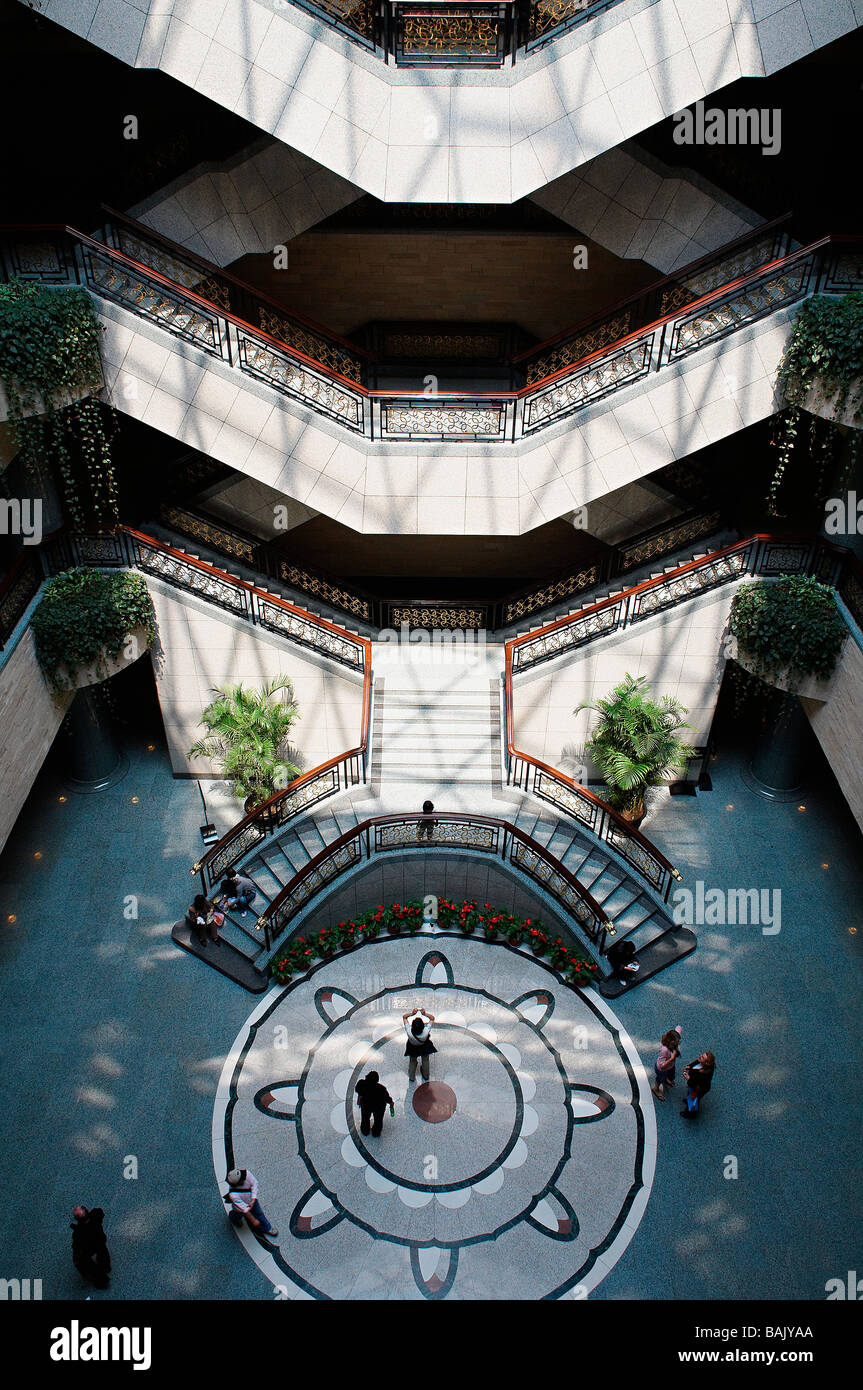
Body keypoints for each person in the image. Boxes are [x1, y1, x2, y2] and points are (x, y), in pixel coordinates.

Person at [224, 1169, 278, 1239]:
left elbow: (254, 1183)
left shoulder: (246, 1174)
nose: (245, 1178)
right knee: (237, 1214)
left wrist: (253, 1199)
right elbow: (243, 1208)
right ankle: (233, 1218)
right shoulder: (233, 1195)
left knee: (259, 1213)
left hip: (251, 1200)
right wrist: (253, 1219)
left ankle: (268, 1228)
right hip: (240, 1207)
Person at [70, 1205, 111, 1288]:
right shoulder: (96, 1216)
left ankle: (101, 1280)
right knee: (102, 1252)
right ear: (87, 1210)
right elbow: (100, 1211)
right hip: (99, 1241)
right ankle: (106, 1266)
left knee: (83, 1261)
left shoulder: (78, 1233)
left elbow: (76, 1247)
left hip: (88, 1248)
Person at [355, 1070, 394, 1137]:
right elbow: (387, 1098)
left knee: (365, 1118)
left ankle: (365, 1131)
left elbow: (357, 1090)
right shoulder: (382, 1089)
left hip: (366, 1106)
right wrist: (391, 1102)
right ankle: (376, 1133)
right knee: (378, 1120)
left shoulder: (361, 1084)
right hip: (378, 1108)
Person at [403, 1007, 437, 1082]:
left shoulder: (409, 1031)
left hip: (412, 1047)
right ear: (422, 1027)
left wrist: (412, 1014)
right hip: (424, 1047)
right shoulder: (425, 1031)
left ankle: (412, 1076)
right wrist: (424, 1014)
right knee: (425, 1060)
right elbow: (432, 1018)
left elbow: (404, 1017)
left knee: (412, 1061)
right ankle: (426, 1075)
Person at [681, 1051, 716, 1118]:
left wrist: (688, 1079)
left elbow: (697, 1087)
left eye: (702, 1057)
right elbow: (696, 1062)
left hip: (697, 1090)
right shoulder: (701, 1062)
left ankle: (690, 1114)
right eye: (702, 1055)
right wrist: (689, 1066)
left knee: (694, 1099)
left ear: (706, 1063)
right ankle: (689, 1101)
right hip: (693, 1087)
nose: (700, 1056)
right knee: (690, 1096)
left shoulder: (704, 1075)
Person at [652, 1025, 682, 1101]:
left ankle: (667, 1079)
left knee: (671, 1076)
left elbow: (678, 1028)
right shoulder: (664, 1050)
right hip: (662, 1069)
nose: (677, 1045)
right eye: (676, 1043)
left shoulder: (673, 1042)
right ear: (671, 1042)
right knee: (660, 1079)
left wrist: (678, 1029)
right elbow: (662, 1065)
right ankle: (656, 1089)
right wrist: (671, 1059)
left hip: (670, 1066)